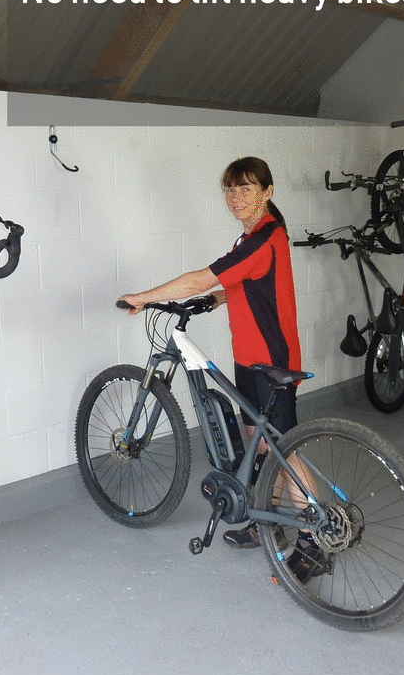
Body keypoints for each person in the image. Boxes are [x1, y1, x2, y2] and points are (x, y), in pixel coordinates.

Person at [118, 156, 318, 565]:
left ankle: (314, 540)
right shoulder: (250, 238)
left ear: (267, 192)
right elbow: (247, 280)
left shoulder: (265, 236)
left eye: (246, 188)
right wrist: (215, 299)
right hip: (249, 357)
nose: (235, 197)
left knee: (284, 451)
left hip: (271, 360)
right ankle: (267, 524)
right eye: (230, 188)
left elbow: (200, 277)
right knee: (260, 444)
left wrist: (143, 298)